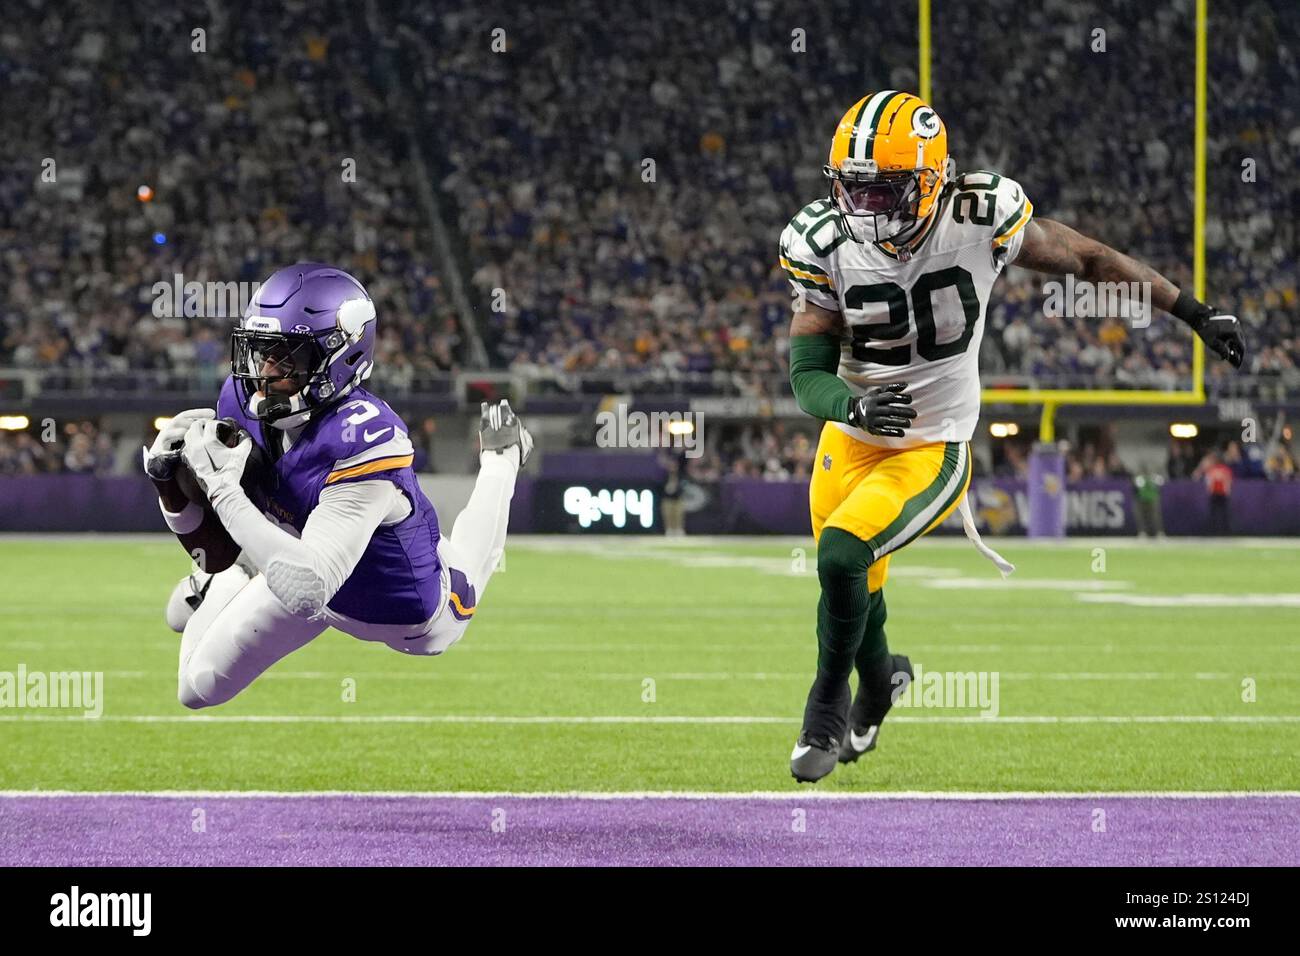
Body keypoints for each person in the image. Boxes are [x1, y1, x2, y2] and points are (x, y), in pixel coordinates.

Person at [782, 90, 1247, 782]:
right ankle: (881, 688)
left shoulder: (980, 214)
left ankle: (827, 701)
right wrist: (850, 408)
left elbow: (1087, 260)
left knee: (843, 559)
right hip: (850, 438)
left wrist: (1189, 308)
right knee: (858, 590)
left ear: (932, 181)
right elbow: (805, 371)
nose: (863, 210)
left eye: (883, 192)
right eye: (852, 190)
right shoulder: (819, 240)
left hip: (930, 442)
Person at [142, 263, 532, 709]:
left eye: (287, 358)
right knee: (196, 689)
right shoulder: (241, 402)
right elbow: (211, 549)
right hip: (298, 566)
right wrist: (167, 484)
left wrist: (223, 491)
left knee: (465, 584)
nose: (265, 372)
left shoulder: (362, 438)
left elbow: (309, 587)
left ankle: (502, 457)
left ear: (340, 359)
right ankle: (246, 569)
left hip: (392, 610)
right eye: (262, 352)